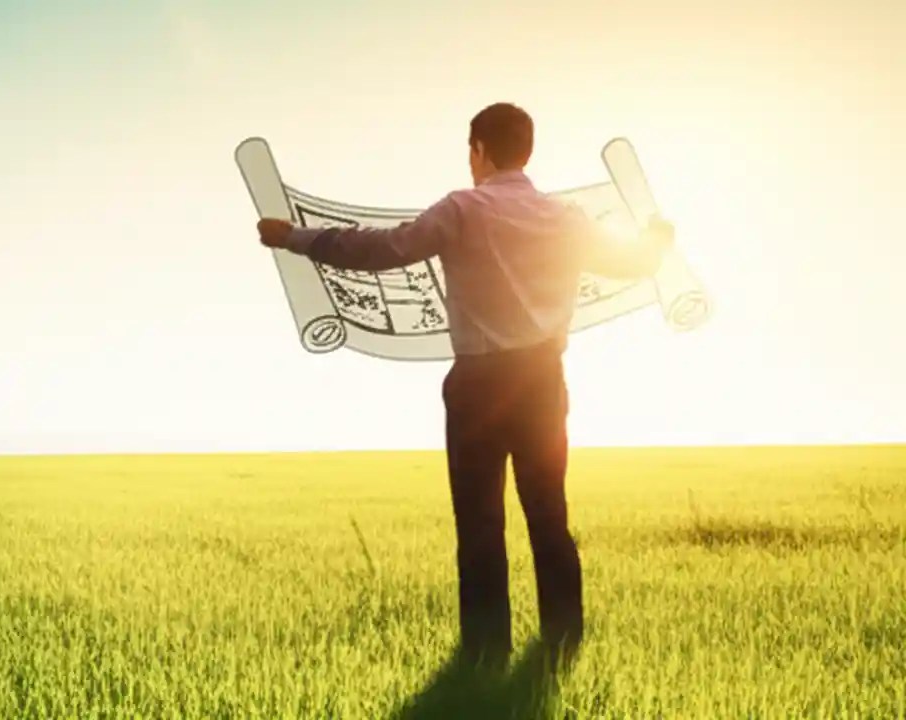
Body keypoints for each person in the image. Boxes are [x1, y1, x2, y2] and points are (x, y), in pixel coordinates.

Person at [256, 103, 674, 669]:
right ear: (527, 150)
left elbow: (382, 250)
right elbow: (632, 263)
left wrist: (295, 237)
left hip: (479, 385)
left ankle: (484, 652)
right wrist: (657, 240)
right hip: (543, 383)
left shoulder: (462, 208)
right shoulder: (566, 218)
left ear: (479, 149)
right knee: (549, 516)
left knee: (479, 524)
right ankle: (562, 645)